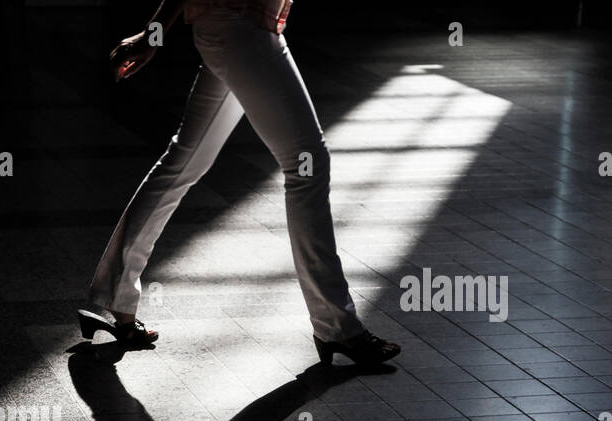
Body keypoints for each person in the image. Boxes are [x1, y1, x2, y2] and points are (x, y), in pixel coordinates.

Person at [80, 0, 400, 366]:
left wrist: (154, 33)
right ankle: (336, 325)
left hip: (235, 26)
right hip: (240, 28)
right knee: (306, 164)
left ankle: (116, 295)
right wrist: (152, 33)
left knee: (183, 162)